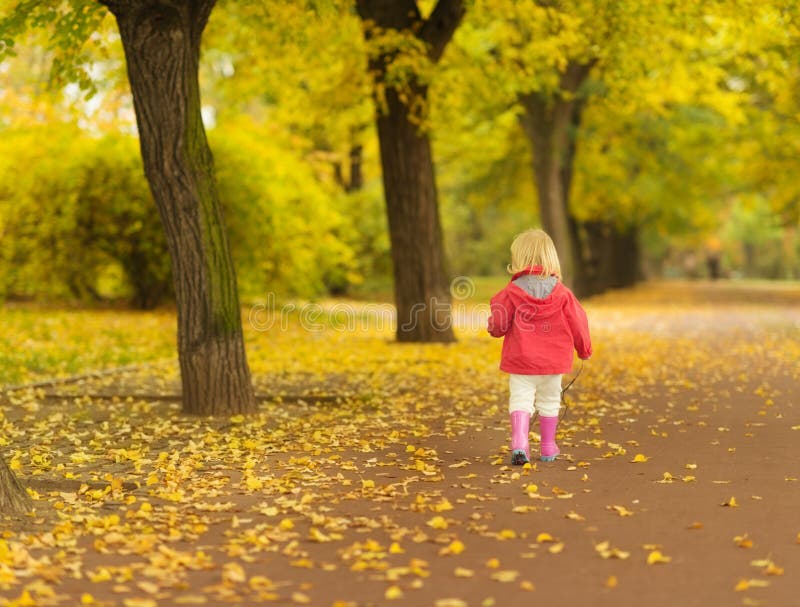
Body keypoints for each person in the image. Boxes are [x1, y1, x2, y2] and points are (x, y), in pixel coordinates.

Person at [487, 229, 592, 464]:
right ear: (550, 257)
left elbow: (498, 324)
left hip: (521, 361)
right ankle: (548, 447)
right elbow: (579, 322)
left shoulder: (511, 292)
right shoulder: (563, 293)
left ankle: (520, 443)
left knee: (521, 400)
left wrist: (493, 328)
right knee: (550, 401)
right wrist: (584, 349)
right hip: (554, 362)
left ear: (519, 258)